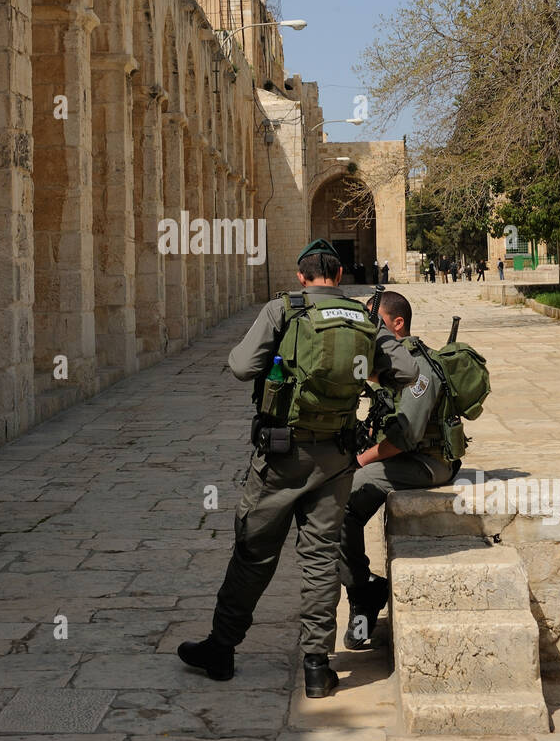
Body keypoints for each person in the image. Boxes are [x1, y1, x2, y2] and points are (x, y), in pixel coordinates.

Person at [177, 239, 420, 699]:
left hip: (281, 456)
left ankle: (222, 648)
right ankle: (316, 666)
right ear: (341, 274)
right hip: (337, 459)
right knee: (320, 557)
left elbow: (240, 366)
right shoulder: (364, 316)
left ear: (301, 275)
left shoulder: (283, 309)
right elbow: (405, 369)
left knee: (253, 552)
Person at [339, 291, 459, 648]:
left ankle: (363, 594)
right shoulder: (390, 362)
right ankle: (363, 587)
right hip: (401, 457)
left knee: (344, 498)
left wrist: (360, 460)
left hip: (427, 463)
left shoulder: (418, 368)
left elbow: (405, 438)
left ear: (397, 324)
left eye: (375, 326)